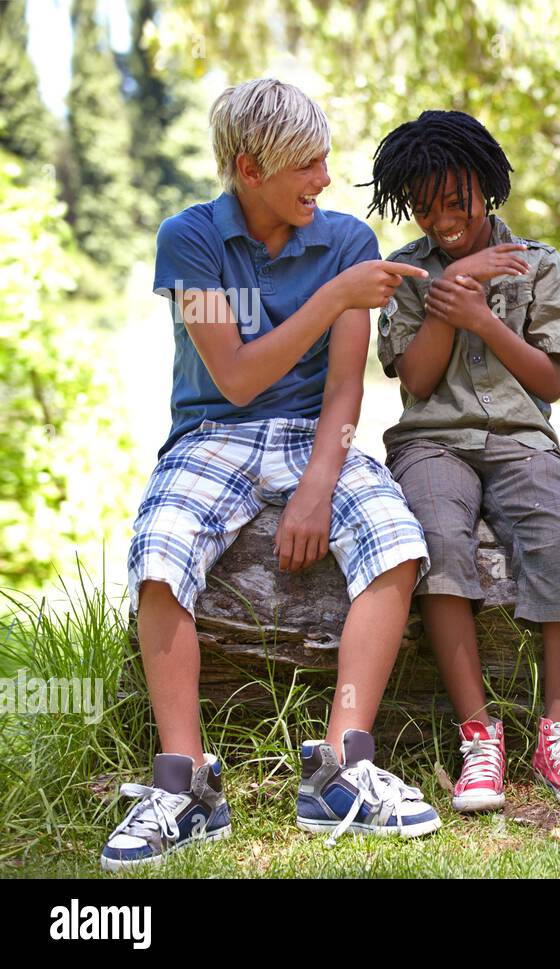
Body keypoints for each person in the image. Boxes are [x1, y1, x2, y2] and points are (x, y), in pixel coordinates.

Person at [104, 79, 441, 871]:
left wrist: (322, 481)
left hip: (316, 434)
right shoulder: (188, 240)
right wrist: (332, 299)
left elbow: (345, 388)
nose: (324, 179)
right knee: (159, 549)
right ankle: (184, 786)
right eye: (307, 165)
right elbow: (238, 378)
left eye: (324, 159)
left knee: (396, 540)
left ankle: (341, 768)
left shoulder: (350, 241)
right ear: (249, 168)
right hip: (213, 431)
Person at [364, 110, 560, 813]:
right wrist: (449, 301)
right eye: (425, 204)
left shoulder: (541, 263)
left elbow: (549, 381)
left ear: (487, 188)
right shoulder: (408, 272)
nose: (442, 218)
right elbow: (415, 381)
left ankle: (558, 735)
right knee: (436, 540)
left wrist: (482, 317)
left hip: (521, 440)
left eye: (457, 201)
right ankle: (480, 737)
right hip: (433, 442)